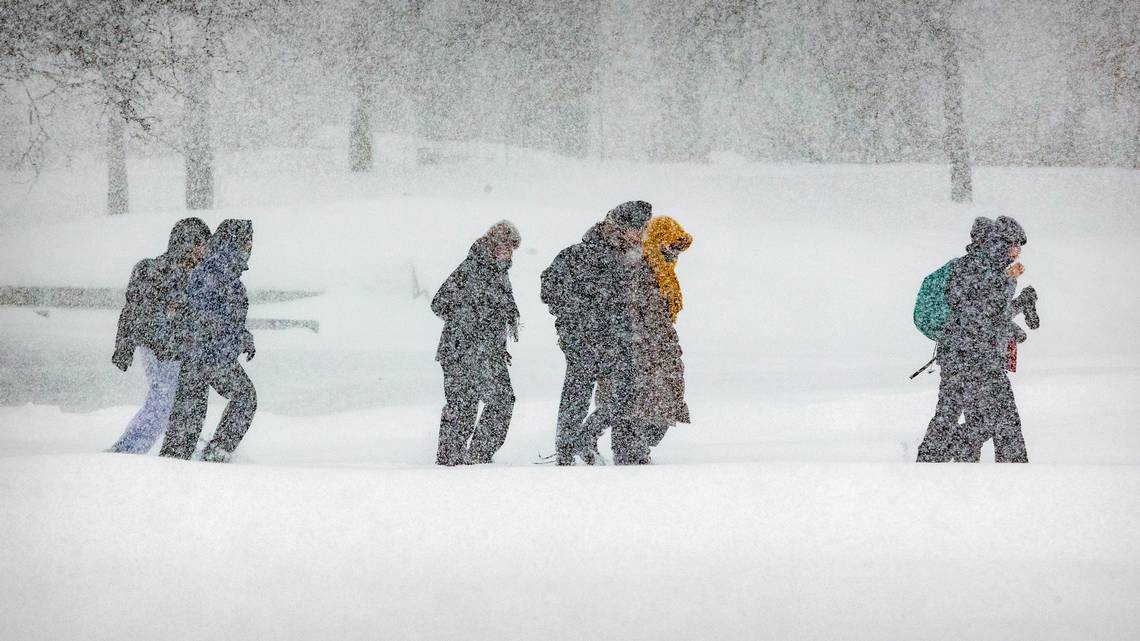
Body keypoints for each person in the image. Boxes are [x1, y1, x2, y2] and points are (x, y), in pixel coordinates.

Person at [541, 200, 651, 465]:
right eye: (639, 228)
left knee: (625, 393)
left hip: (618, 338)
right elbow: (549, 289)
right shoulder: (579, 254)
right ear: (622, 228)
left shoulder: (633, 259)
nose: (643, 235)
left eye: (645, 228)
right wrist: (576, 319)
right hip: (583, 338)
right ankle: (566, 450)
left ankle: (583, 438)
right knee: (578, 393)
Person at [917, 216, 1029, 463]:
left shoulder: (982, 269)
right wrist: (1019, 304)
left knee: (956, 415)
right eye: (1014, 245)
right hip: (974, 358)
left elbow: (984, 314)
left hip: (965, 356)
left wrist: (1011, 327)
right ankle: (944, 454)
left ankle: (941, 460)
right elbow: (983, 316)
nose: (1018, 252)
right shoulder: (978, 271)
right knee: (999, 418)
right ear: (998, 243)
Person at [109, 218, 211, 454]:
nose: (204, 251)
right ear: (187, 244)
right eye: (201, 244)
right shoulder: (155, 270)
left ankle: (187, 449)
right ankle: (126, 451)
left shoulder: (195, 276)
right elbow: (132, 311)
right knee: (164, 400)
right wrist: (124, 347)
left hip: (179, 350)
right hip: (160, 350)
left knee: (177, 401)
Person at [160, 219, 257, 463]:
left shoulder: (222, 270)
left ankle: (174, 462)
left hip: (202, 355)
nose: (250, 247)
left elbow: (223, 317)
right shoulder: (217, 271)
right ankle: (215, 454)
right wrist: (218, 344)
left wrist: (242, 337)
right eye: (247, 242)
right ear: (235, 243)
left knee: (189, 415)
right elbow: (204, 315)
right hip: (207, 356)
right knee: (244, 397)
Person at [431, 221, 521, 466]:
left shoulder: (497, 273)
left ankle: (470, 457)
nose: (508, 252)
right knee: (468, 404)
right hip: (463, 350)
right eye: (505, 246)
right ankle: (457, 459)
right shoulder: (473, 268)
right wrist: (469, 320)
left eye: (511, 248)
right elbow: (439, 303)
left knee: (484, 402)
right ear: (493, 245)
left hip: (484, 351)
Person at [628, 215, 693, 456]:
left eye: (678, 248)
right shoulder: (643, 268)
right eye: (671, 245)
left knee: (660, 404)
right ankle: (634, 451)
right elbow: (639, 312)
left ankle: (639, 449)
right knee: (646, 404)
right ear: (658, 241)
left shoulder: (663, 272)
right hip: (644, 349)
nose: (674, 253)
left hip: (660, 348)